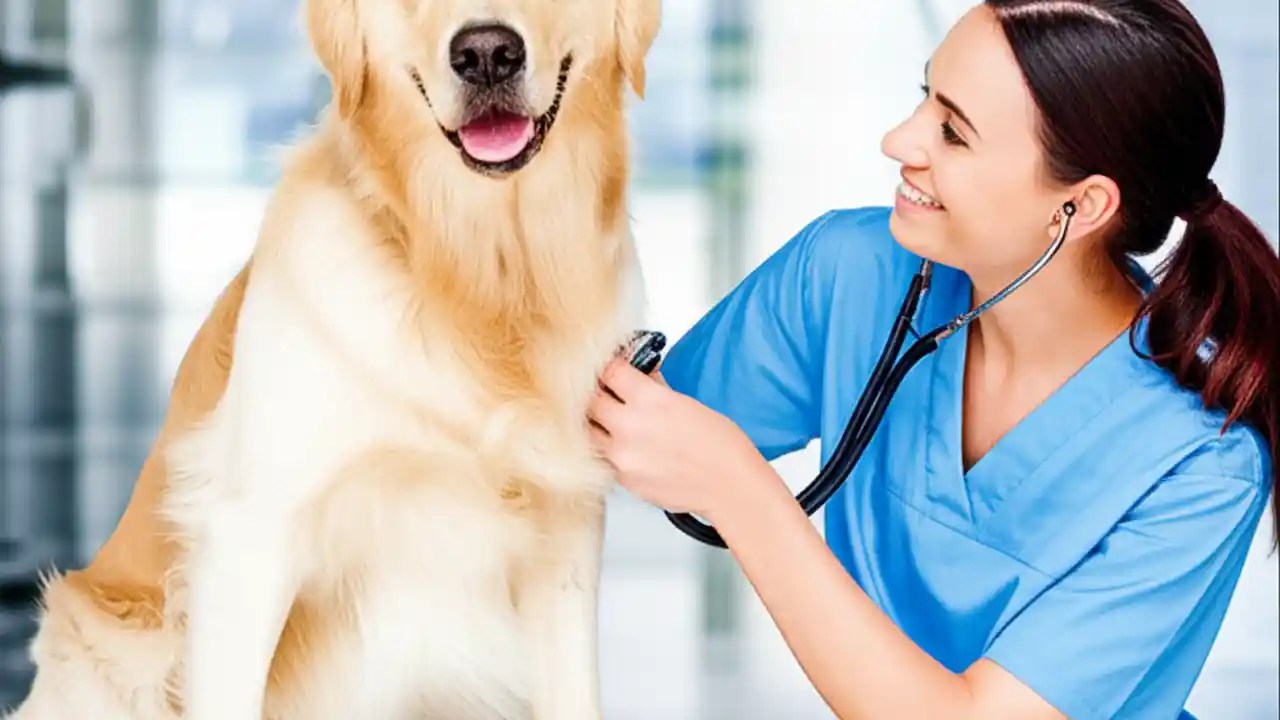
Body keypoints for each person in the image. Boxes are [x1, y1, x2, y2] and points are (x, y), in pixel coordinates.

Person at [587, 1, 1279, 718]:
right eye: (927, 97)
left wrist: (742, 494)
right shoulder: (850, 272)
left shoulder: (1202, 464)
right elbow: (618, 429)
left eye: (953, 132)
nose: (898, 141)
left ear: (1082, 205)